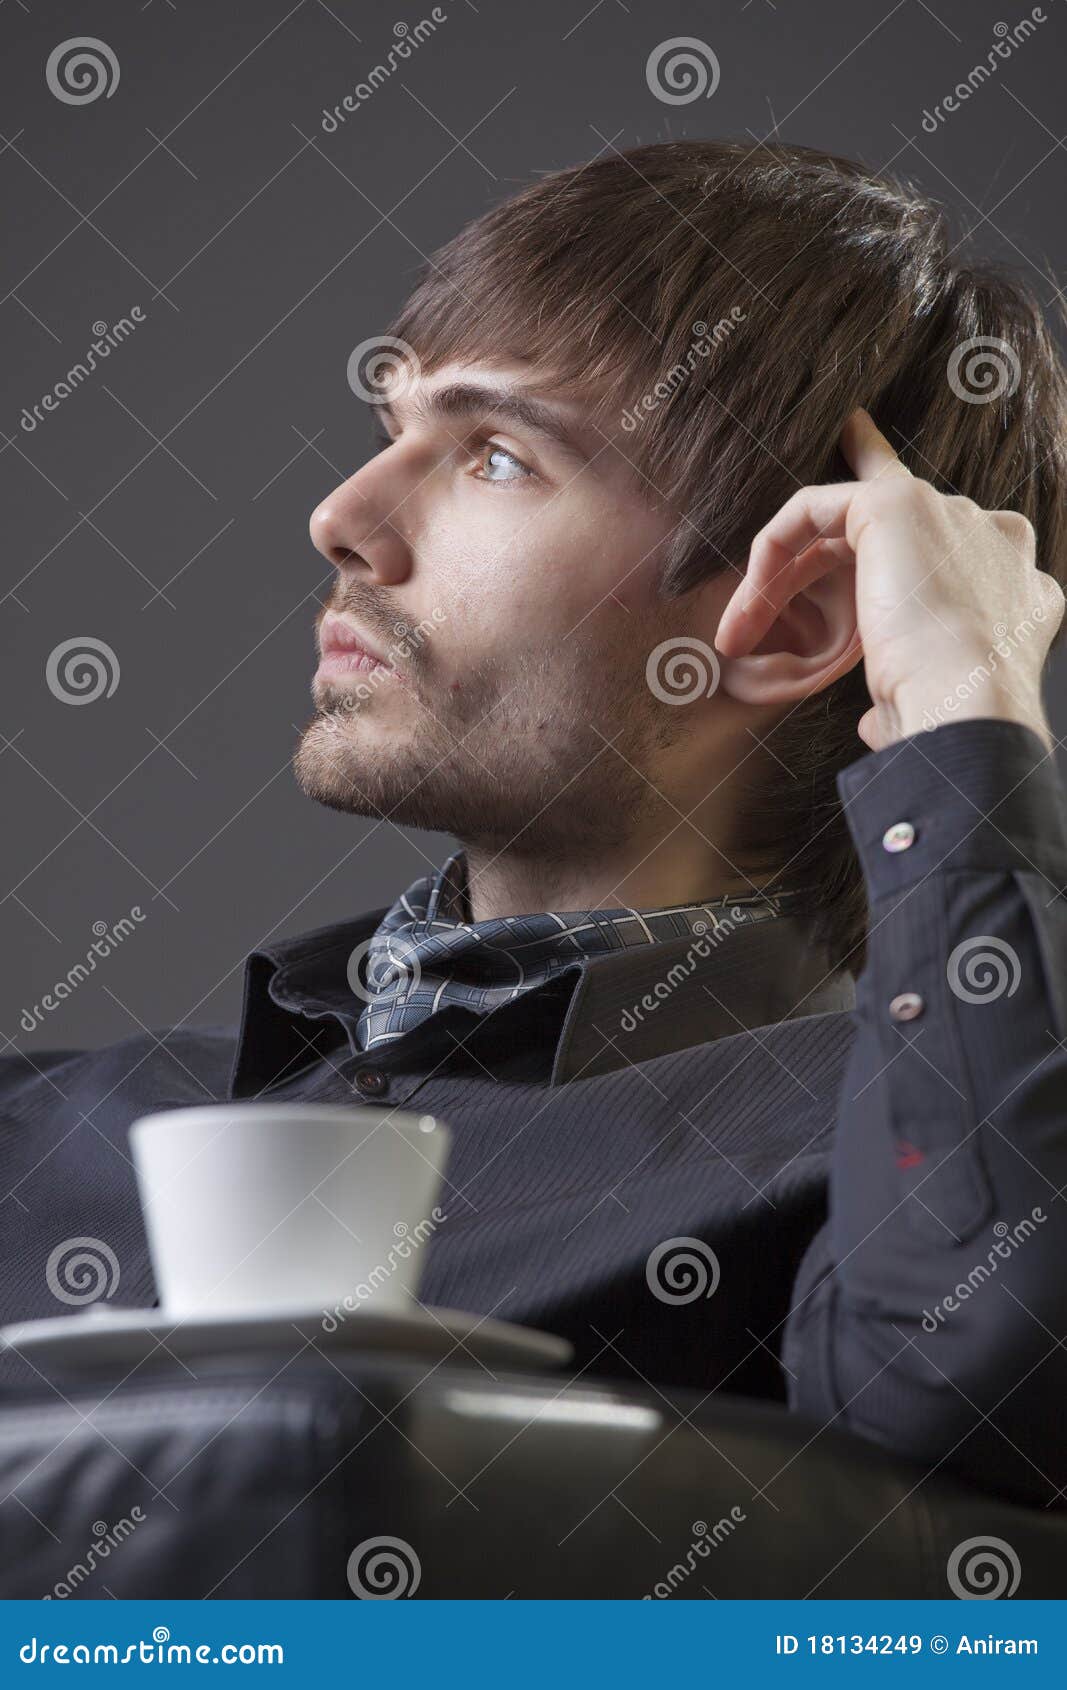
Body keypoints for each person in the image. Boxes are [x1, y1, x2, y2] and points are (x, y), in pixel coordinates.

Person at [3, 140, 1066, 1511]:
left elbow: (992, 1402)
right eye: (392, 434)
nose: (342, 519)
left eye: (498, 456)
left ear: (795, 618)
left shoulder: (893, 1173)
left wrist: (967, 713)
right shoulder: (45, 1126)